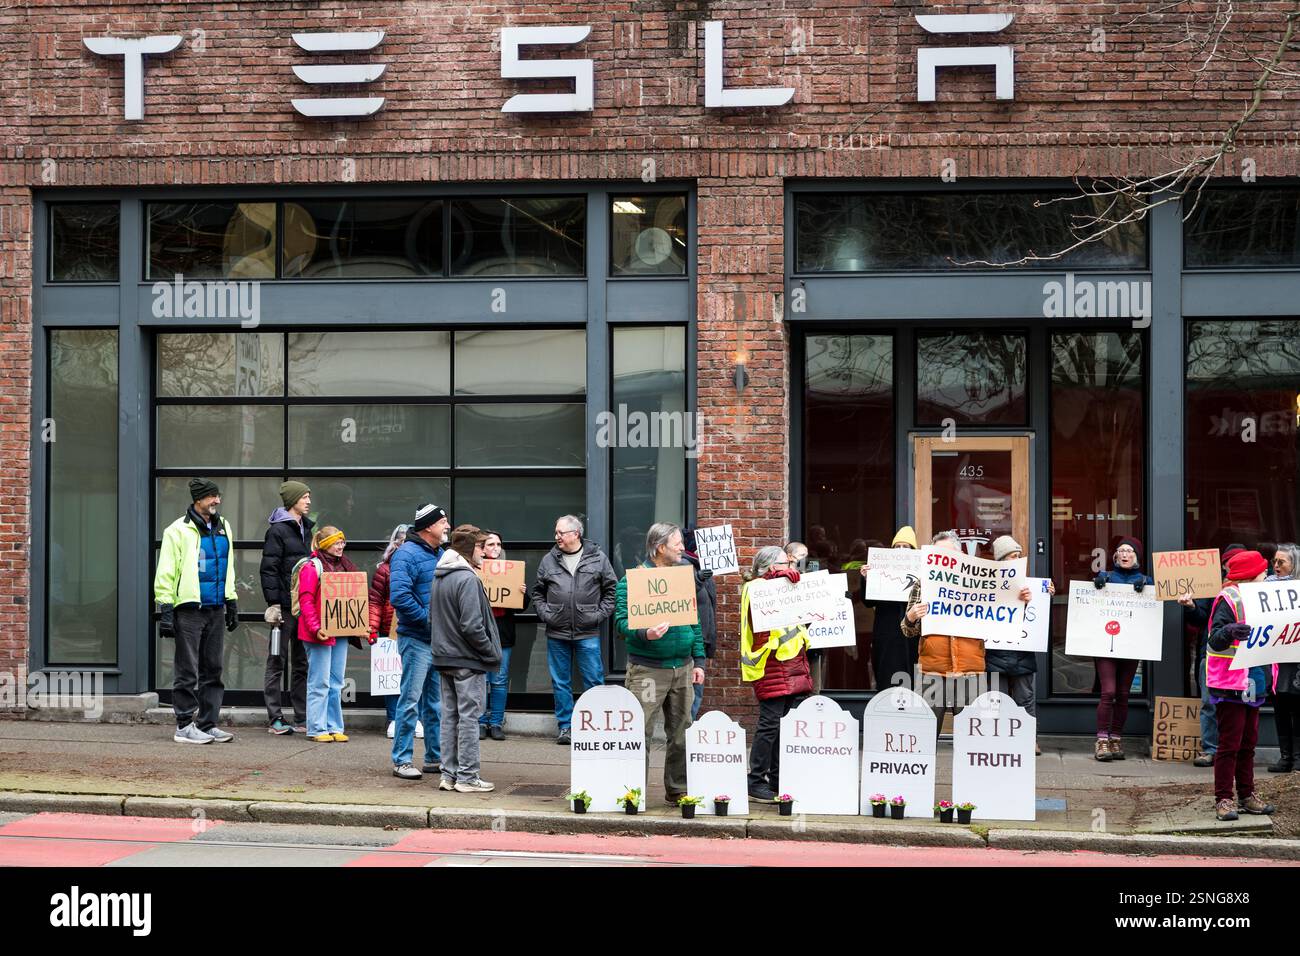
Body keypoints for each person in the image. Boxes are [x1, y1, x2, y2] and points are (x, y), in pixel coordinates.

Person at [614, 522, 706, 804]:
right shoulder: (632, 582)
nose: (682, 548)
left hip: (683, 667)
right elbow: (620, 621)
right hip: (648, 671)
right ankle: (632, 792)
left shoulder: (682, 579)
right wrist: (645, 632)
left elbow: (695, 622)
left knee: (681, 733)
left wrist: (699, 660)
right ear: (660, 547)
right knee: (639, 732)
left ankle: (677, 789)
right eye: (677, 543)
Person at [154, 477, 239, 744]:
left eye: (218, 496)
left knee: (213, 669)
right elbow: (165, 572)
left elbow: (229, 566)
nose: (217, 501)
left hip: (215, 607)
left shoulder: (224, 526)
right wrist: (166, 608)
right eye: (211, 497)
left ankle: (207, 723)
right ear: (198, 499)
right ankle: (184, 726)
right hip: (189, 609)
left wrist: (231, 599)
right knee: (187, 669)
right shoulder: (176, 530)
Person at [530, 514, 618, 745]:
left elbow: (612, 590)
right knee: (560, 682)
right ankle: (565, 727)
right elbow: (537, 592)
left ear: (575, 534)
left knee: (593, 679)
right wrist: (547, 614)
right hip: (556, 632)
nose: (556, 536)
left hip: (587, 631)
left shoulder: (597, 558)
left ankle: (597, 724)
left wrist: (598, 616)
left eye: (561, 532)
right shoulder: (549, 560)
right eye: (556, 532)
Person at [431, 524, 502, 793]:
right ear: (468, 549)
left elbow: (433, 618)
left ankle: (448, 776)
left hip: (444, 657)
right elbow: (472, 626)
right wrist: (490, 652)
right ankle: (467, 778)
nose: (484, 553)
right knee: (470, 718)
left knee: (450, 718)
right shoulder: (467, 579)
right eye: (480, 547)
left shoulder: (440, 576)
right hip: (467, 660)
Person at [1208, 550, 1278, 821]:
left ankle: (1247, 796)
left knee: (1249, 743)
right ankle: (1224, 799)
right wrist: (1228, 632)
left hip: (1255, 681)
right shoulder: (1227, 599)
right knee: (1229, 744)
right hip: (1230, 683)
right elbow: (1214, 639)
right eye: (1262, 572)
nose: (1267, 575)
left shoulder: (1264, 599)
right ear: (1250, 576)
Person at [740, 546, 812, 802]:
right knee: (769, 725)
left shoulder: (784, 587)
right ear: (772, 567)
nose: (791, 566)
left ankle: (776, 781)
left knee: (781, 726)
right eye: (786, 562)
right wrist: (778, 583)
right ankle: (755, 781)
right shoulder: (757, 587)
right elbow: (763, 617)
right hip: (770, 664)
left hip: (790, 665)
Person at [901, 530, 985, 736]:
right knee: (925, 736)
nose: (942, 559)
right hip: (932, 670)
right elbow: (907, 630)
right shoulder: (922, 584)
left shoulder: (977, 583)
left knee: (972, 739)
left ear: (959, 555)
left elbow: (1001, 619)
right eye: (937, 554)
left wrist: (1021, 600)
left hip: (969, 670)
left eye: (947, 554)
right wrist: (911, 617)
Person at [390, 503, 449, 780]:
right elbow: (399, 596)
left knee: (434, 704)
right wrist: (427, 619)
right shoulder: (406, 555)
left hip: (435, 640)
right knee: (411, 700)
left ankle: (433, 758)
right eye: (442, 522)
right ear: (428, 527)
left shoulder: (439, 553)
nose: (447, 526)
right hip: (416, 639)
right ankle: (401, 760)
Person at [985, 535, 1054, 756]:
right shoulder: (988, 585)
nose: (1017, 560)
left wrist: (1043, 595)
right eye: (1012, 556)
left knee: (1025, 700)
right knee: (996, 701)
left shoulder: (1030, 586)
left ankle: (1028, 739)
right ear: (1001, 560)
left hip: (1022, 652)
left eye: (1018, 556)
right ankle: (998, 740)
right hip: (995, 653)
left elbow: (1037, 616)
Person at [297, 526, 365, 743]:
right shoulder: (312, 567)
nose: (341, 546)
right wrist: (317, 628)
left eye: (342, 542)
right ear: (326, 544)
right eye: (337, 542)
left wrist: (360, 626)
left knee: (336, 682)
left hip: (340, 633)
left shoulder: (345, 566)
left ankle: (334, 726)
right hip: (319, 633)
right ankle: (317, 728)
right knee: (320, 682)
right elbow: (305, 600)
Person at [1090, 536, 1154, 762]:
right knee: (1108, 692)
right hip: (1106, 646)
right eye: (1121, 551)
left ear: (1137, 556)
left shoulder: (1146, 581)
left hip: (1131, 646)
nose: (1125, 554)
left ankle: (1116, 738)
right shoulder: (1105, 577)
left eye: (1130, 551)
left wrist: (1148, 589)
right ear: (1115, 556)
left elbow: (1153, 610)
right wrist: (1096, 586)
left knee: (1124, 694)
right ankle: (1102, 740)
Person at [260, 480, 313, 735]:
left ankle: (302, 717)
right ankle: (275, 718)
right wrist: (273, 604)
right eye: (304, 497)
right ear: (292, 500)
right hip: (284, 608)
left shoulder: (306, 529)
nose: (309, 501)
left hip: (304, 608)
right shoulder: (278, 531)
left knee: (302, 662)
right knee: (276, 660)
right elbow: (268, 569)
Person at [1183, 545, 1242, 767]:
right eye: (1230, 561)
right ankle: (1210, 749)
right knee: (1209, 702)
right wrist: (1190, 607)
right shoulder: (1212, 587)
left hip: (1243, 656)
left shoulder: (1255, 589)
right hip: (1213, 655)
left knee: (1238, 707)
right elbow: (1201, 619)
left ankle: (1233, 751)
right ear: (1225, 565)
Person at [479, 530, 528, 741]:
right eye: (490, 544)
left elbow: (521, 607)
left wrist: (521, 592)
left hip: (503, 633)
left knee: (499, 680)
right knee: (480, 680)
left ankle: (496, 722)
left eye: (498, 544)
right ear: (482, 548)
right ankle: (480, 721)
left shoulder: (511, 571)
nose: (495, 548)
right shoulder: (474, 571)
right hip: (479, 633)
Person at [858, 525, 920, 690]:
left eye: (905, 547)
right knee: (887, 674)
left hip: (912, 634)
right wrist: (866, 580)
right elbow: (868, 602)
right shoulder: (881, 569)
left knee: (911, 674)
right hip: (887, 632)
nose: (901, 550)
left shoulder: (921, 571)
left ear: (913, 550)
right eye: (897, 547)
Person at [369, 524, 407, 739]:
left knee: (413, 676)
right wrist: (373, 628)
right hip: (387, 629)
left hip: (412, 627)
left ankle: (416, 718)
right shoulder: (384, 569)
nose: (402, 543)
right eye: (399, 539)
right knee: (391, 677)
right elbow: (375, 601)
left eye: (406, 539)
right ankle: (393, 719)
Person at [1267, 543, 1300, 773]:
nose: (1276, 566)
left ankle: (1298, 758)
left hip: (1296, 657)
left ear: (1294, 565)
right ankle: (1285, 756)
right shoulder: (1265, 588)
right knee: (1280, 705)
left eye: (1282, 562)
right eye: (1274, 561)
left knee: (1297, 708)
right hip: (1275, 656)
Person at [682, 528, 718, 720]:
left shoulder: (701, 567)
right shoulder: (682, 566)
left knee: (696, 691)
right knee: (691, 693)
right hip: (690, 640)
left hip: (700, 639)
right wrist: (698, 580)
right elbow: (681, 596)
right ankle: (685, 732)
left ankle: (688, 730)